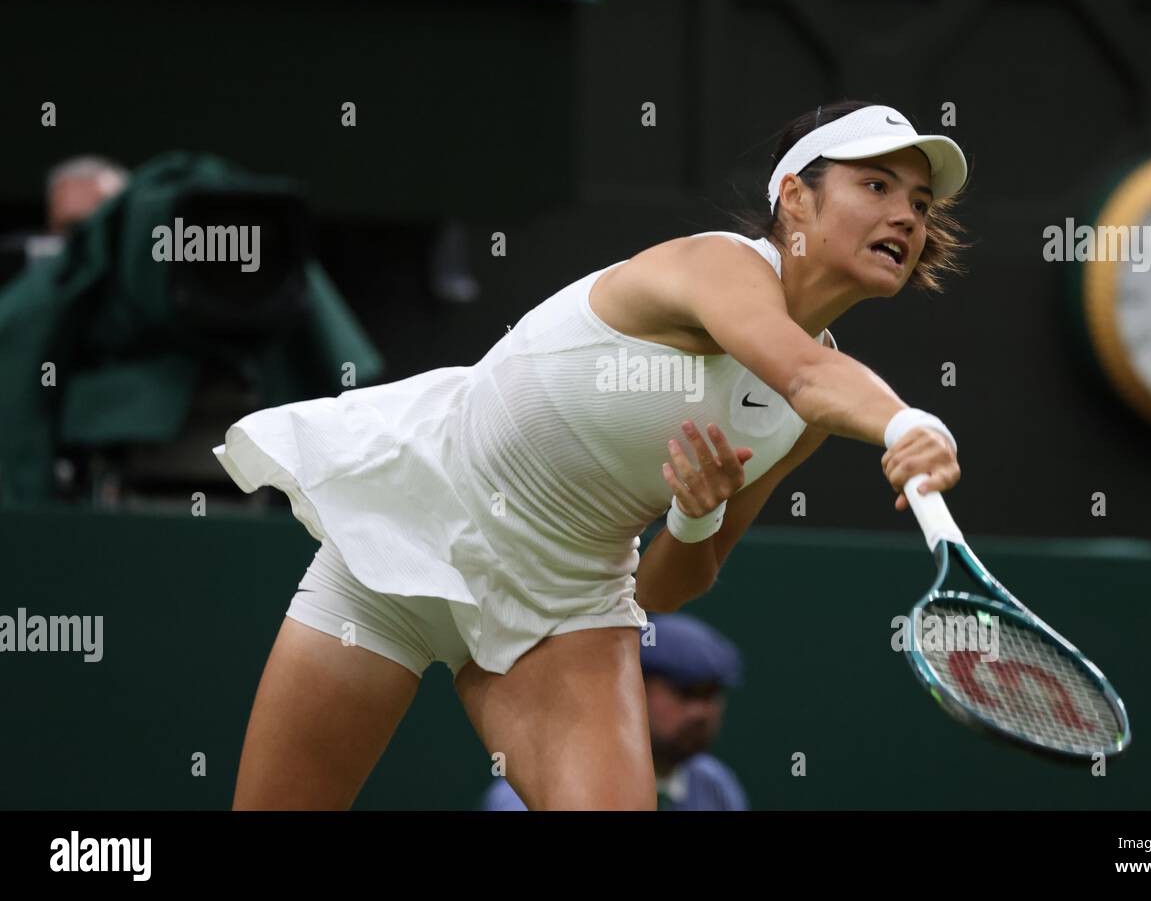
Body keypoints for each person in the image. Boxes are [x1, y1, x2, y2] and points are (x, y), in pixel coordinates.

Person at [214, 100, 969, 810]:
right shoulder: (718, 267)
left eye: (921, 202)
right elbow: (809, 375)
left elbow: (670, 585)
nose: (906, 214)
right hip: (406, 529)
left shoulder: (798, 419)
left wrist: (695, 516)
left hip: (564, 609)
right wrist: (904, 425)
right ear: (794, 198)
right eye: (876, 184)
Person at [482, 612, 747, 810]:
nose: (701, 712)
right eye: (685, 692)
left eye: (711, 695)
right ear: (633, 690)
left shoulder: (714, 786)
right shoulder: (530, 795)